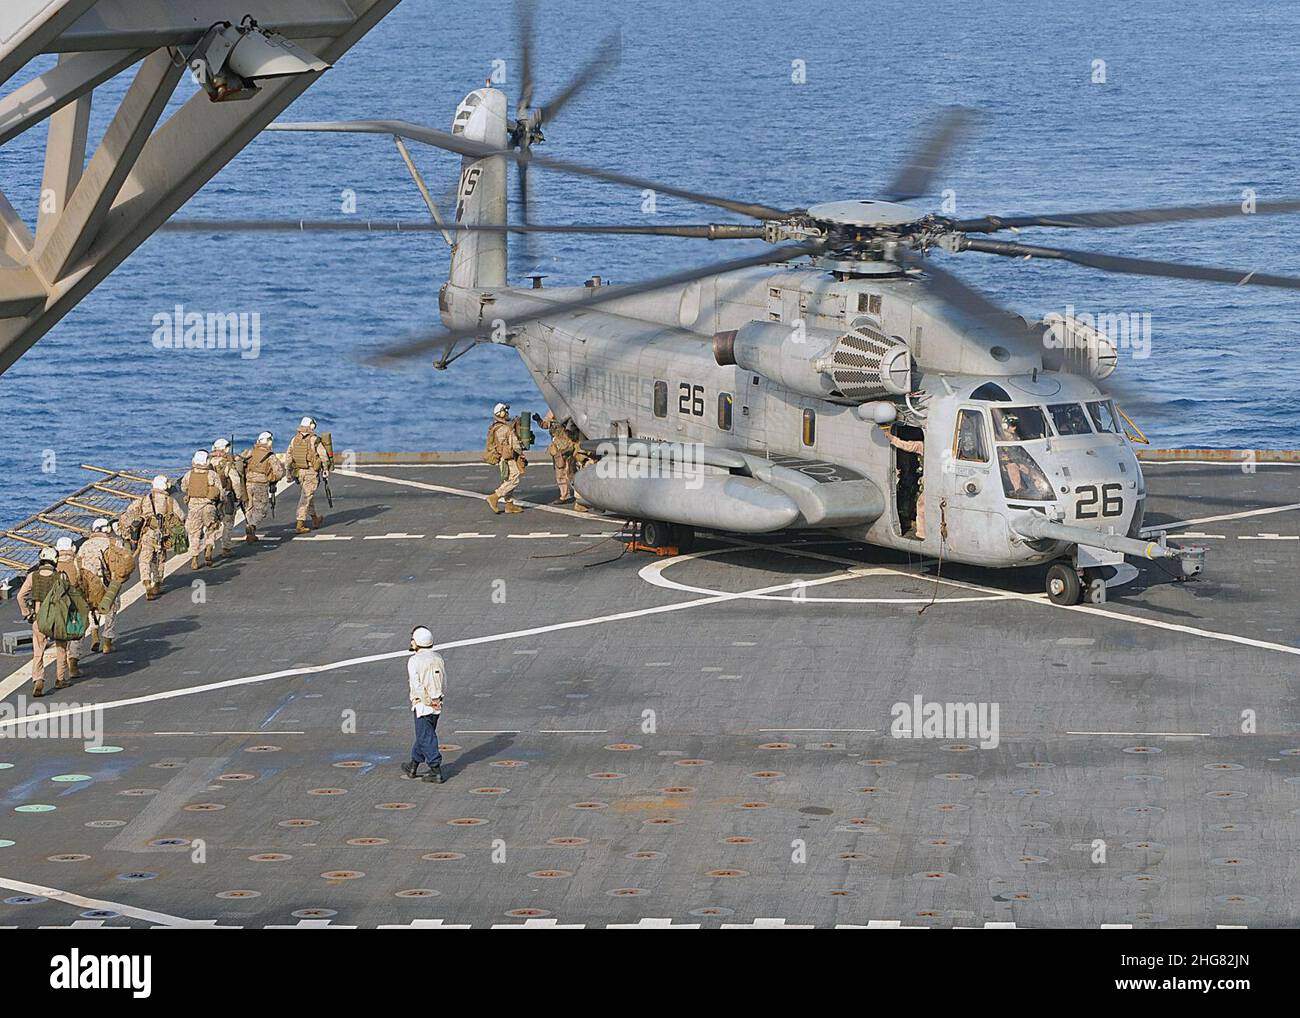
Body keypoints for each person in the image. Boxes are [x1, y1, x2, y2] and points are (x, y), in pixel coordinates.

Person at [120, 475, 184, 600]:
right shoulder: (170, 501)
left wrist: (127, 534)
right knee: (159, 560)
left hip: (147, 533)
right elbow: (180, 516)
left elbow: (129, 514)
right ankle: (157, 582)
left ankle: (146, 581)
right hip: (163, 535)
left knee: (144, 559)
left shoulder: (144, 500)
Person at [17, 547, 71, 696]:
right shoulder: (60, 577)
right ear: (55, 560)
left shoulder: (32, 576)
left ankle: (38, 678)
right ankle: (60, 679)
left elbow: (20, 596)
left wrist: (27, 613)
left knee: (38, 650)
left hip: (39, 619)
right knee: (61, 648)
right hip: (57, 618)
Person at [76, 518, 134, 655]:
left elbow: (77, 563)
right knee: (111, 609)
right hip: (107, 584)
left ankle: (94, 632)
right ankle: (107, 642)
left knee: (90, 609)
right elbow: (124, 561)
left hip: (87, 584)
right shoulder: (113, 543)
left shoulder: (85, 545)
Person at [402, 626, 446, 784]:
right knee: (424, 735)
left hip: (423, 705)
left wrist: (427, 701)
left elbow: (417, 685)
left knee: (426, 736)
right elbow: (444, 680)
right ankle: (413, 765)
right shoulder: (438, 658)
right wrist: (438, 700)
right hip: (437, 703)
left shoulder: (414, 661)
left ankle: (436, 769)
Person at [287, 417, 331, 535]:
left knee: (307, 495)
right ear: (311, 426)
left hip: (300, 472)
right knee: (306, 498)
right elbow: (323, 456)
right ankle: (300, 524)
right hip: (311, 472)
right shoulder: (314, 440)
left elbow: (289, 457)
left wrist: (289, 473)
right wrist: (325, 469)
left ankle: (315, 519)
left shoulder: (294, 439)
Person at [180, 450, 223, 569]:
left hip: (193, 507)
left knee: (194, 533)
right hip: (209, 505)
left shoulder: (189, 474)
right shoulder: (212, 474)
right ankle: (209, 546)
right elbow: (220, 491)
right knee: (211, 528)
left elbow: (183, 488)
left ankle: (194, 558)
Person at [238, 431, 282, 542]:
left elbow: (238, 461)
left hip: (247, 483)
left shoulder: (250, 452)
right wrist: (272, 479)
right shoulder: (270, 456)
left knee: (249, 507)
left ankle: (250, 533)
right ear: (268, 441)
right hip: (260, 484)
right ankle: (251, 525)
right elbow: (278, 473)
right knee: (262, 510)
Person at [883, 427, 926, 541]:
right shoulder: (922, 446)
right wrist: (892, 438)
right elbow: (907, 445)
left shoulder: (922, 446)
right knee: (921, 504)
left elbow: (907, 446)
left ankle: (922, 533)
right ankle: (921, 532)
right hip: (931, 480)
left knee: (921, 505)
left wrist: (890, 437)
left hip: (931, 481)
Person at [485, 402, 526, 514]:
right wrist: (521, 453)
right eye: (505, 411)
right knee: (514, 478)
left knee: (507, 480)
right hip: (508, 457)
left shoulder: (495, 426)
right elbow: (514, 444)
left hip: (502, 457)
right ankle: (495, 496)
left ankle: (509, 504)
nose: (507, 413)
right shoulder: (504, 428)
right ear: (501, 413)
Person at [209, 438, 242, 559]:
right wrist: (238, 496)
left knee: (211, 524)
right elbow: (236, 481)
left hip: (211, 499)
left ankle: (209, 546)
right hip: (226, 496)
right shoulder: (227, 464)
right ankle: (226, 548)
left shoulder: (207, 464)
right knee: (228, 522)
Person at [541, 410, 578, 504]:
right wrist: (539, 421)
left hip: (568, 445)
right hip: (558, 448)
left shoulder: (568, 410)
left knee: (571, 472)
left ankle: (579, 495)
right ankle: (564, 495)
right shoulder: (552, 410)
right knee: (560, 473)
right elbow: (545, 424)